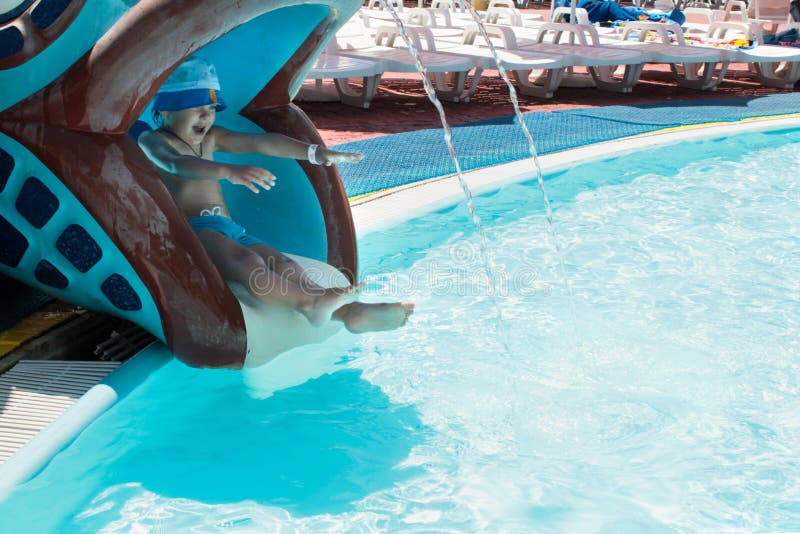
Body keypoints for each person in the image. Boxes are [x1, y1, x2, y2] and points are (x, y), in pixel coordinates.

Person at [138, 57, 413, 332]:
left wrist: (314, 152)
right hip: (193, 231)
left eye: (210, 108)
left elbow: (263, 143)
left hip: (230, 228)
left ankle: (349, 312)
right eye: (195, 107)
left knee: (281, 263)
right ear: (165, 111)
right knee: (248, 264)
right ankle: (309, 304)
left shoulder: (212, 137)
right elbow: (175, 164)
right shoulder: (153, 140)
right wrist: (226, 171)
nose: (205, 115)